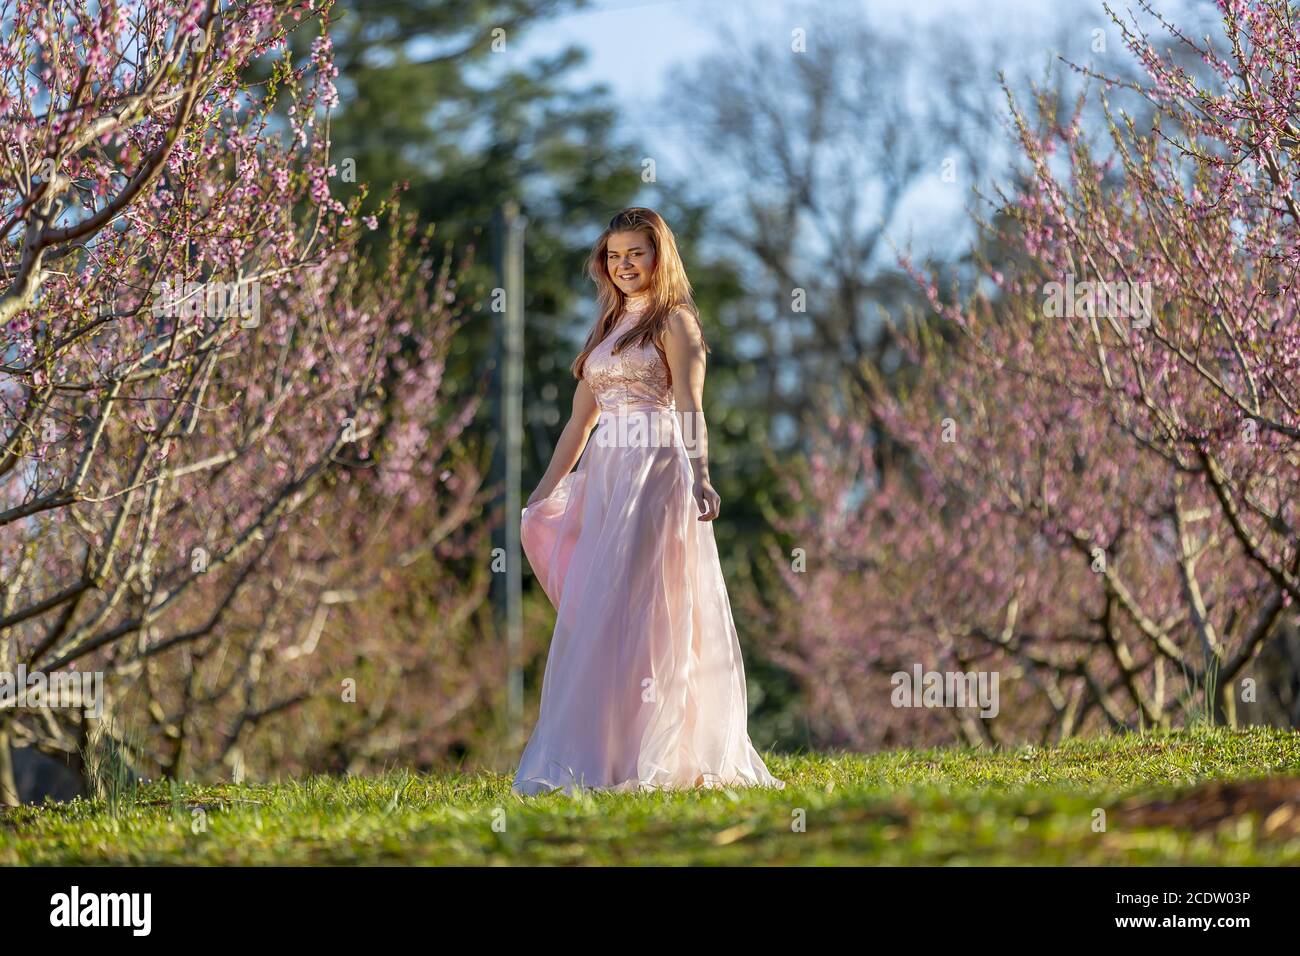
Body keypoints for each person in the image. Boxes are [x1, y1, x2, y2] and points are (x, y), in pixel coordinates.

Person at [512, 207, 785, 795]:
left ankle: (660, 750)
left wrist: (702, 474)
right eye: (614, 255)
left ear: (659, 257)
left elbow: (690, 404)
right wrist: (544, 492)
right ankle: (604, 753)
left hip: (657, 468)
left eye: (636, 253)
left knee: (646, 603)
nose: (624, 265)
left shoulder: (675, 322)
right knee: (599, 604)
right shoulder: (608, 326)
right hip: (608, 469)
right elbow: (578, 423)